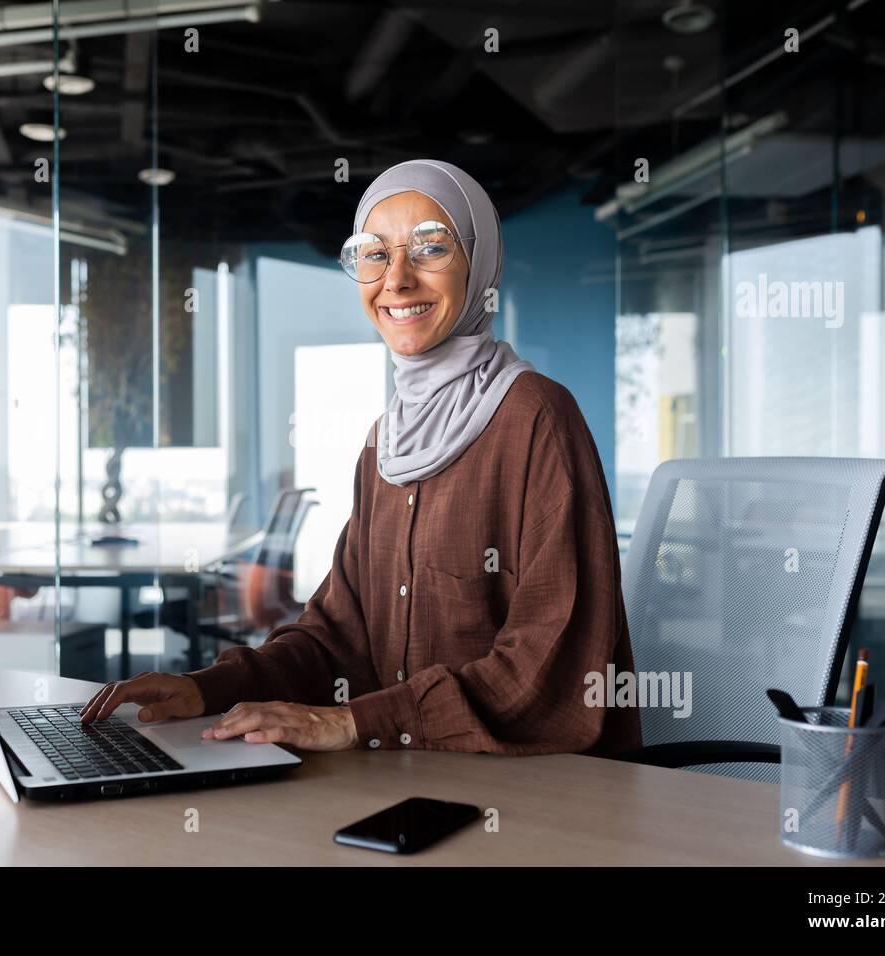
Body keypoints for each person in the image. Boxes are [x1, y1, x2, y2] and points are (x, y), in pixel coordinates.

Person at [81, 158, 641, 756]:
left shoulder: (538, 417)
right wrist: (208, 688)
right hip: (407, 779)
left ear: (480, 265)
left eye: (430, 248)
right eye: (374, 253)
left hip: (536, 802)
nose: (396, 280)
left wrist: (353, 723)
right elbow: (336, 637)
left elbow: (551, 672)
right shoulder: (388, 439)